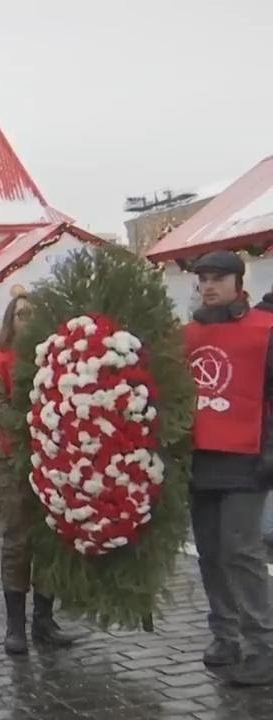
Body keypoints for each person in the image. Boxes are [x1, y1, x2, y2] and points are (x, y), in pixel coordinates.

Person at [185, 250, 273, 685]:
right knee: (211, 554)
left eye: (218, 278)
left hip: (247, 459)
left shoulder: (265, 330)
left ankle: (264, 647)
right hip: (200, 459)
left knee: (241, 552)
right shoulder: (187, 335)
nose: (209, 286)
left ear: (239, 282)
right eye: (203, 279)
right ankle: (226, 635)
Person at [0, 293, 77, 654]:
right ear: (11, 320)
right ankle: (15, 626)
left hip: (52, 459)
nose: (27, 319)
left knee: (50, 538)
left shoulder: (53, 359)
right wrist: (33, 425)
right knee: (18, 541)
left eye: (32, 314)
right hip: (12, 459)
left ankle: (44, 620)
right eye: (21, 314)